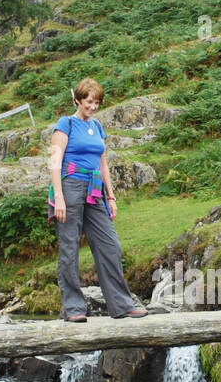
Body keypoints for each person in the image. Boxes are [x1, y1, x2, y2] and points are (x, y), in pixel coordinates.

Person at [48, 78, 147, 322]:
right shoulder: (65, 124)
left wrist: (111, 196)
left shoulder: (98, 127)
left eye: (97, 102)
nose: (93, 106)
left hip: (95, 189)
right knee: (69, 247)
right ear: (78, 100)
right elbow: (55, 161)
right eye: (89, 102)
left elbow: (103, 162)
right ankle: (74, 309)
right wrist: (58, 197)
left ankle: (122, 305)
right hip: (70, 185)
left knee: (110, 245)